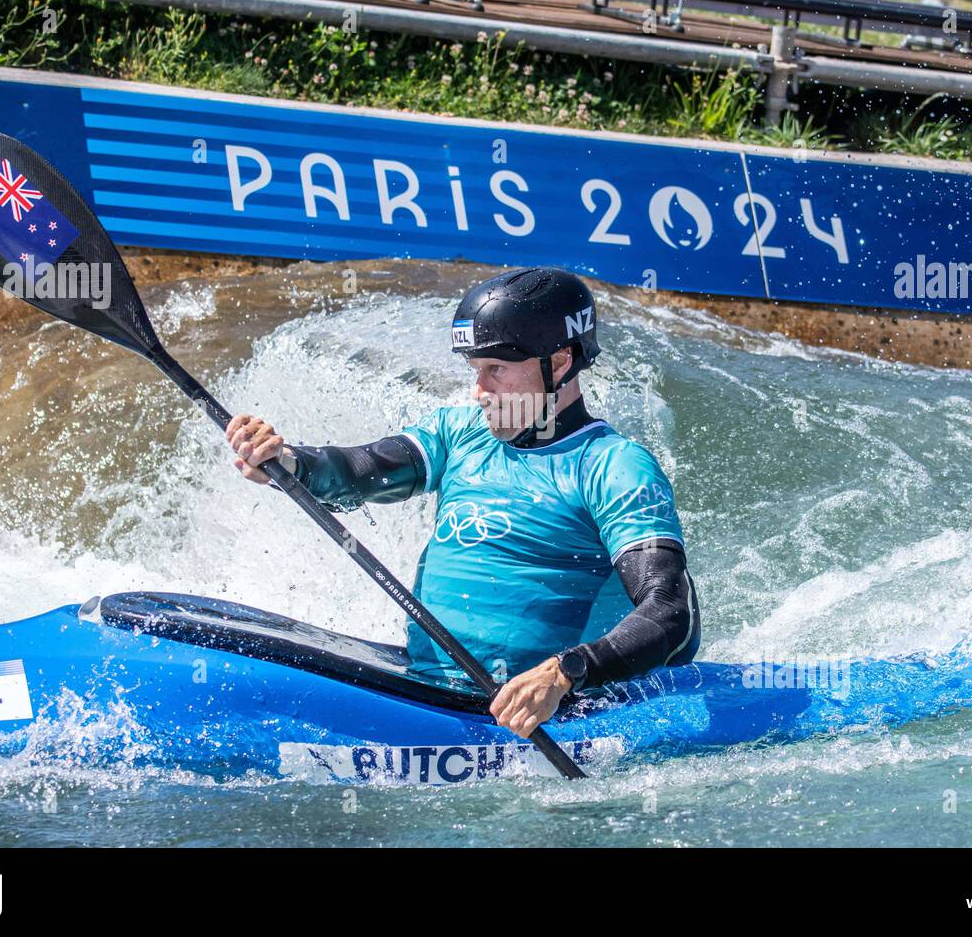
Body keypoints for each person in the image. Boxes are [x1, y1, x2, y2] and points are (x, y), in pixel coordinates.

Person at [227, 267, 699, 739]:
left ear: (557, 364)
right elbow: (362, 469)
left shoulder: (613, 466)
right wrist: (289, 464)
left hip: (547, 719)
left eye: (496, 370)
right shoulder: (459, 432)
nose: (479, 391)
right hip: (429, 695)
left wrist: (565, 672)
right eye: (476, 370)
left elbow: (672, 614)